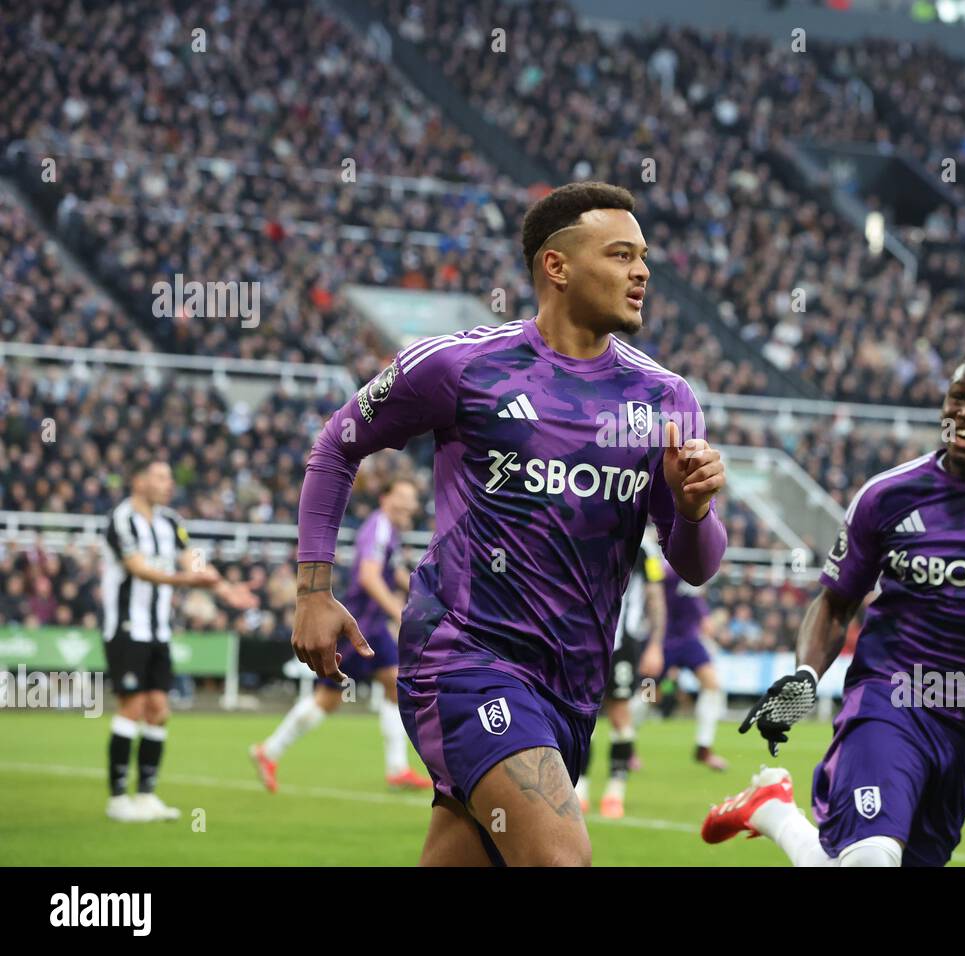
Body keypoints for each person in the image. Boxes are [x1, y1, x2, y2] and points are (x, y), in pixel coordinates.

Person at [290, 182, 727, 865]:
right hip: (464, 658)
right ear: (556, 267)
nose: (642, 272)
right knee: (559, 858)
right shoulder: (462, 367)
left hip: (572, 685)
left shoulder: (665, 397)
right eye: (620, 255)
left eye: (644, 257)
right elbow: (336, 445)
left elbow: (696, 563)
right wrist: (313, 590)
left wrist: (695, 509)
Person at [702, 346, 965, 866]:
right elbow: (836, 603)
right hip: (890, 696)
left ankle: (774, 812)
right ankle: (776, 811)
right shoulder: (888, 494)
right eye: (959, 396)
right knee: (869, 859)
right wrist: (803, 678)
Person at [251, 479, 432, 790]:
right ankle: (268, 751)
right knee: (328, 699)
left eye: (412, 500)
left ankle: (398, 768)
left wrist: (422, 595)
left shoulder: (388, 531)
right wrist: (399, 613)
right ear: (384, 497)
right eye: (402, 496)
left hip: (372, 628)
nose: (408, 505)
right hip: (357, 626)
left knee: (395, 685)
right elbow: (369, 576)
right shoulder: (378, 528)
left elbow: (395, 572)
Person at [102, 458, 255, 822]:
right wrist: (190, 582)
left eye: (169, 477)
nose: (167, 483)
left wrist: (226, 590)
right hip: (126, 628)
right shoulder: (121, 520)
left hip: (159, 630)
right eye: (159, 476)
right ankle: (118, 799)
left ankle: (146, 796)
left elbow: (193, 560)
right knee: (132, 708)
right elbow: (138, 569)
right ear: (138, 481)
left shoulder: (171, 521)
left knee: (159, 710)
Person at [574, 530, 666, 818]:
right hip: (580, 640)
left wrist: (654, 646)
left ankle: (615, 790)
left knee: (620, 714)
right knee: (580, 714)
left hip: (622, 644)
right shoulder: (584, 533)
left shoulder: (643, 548)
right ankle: (580, 789)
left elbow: (655, 598)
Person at [641, 566, 728, 770]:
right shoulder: (665, 569)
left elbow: (693, 599)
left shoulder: (696, 567)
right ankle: (626, 742)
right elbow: (653, 597)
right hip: (664, 641)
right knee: (646, 696)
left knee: (712, 685)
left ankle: (703, 748)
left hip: (689, 640)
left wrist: (704, 617)